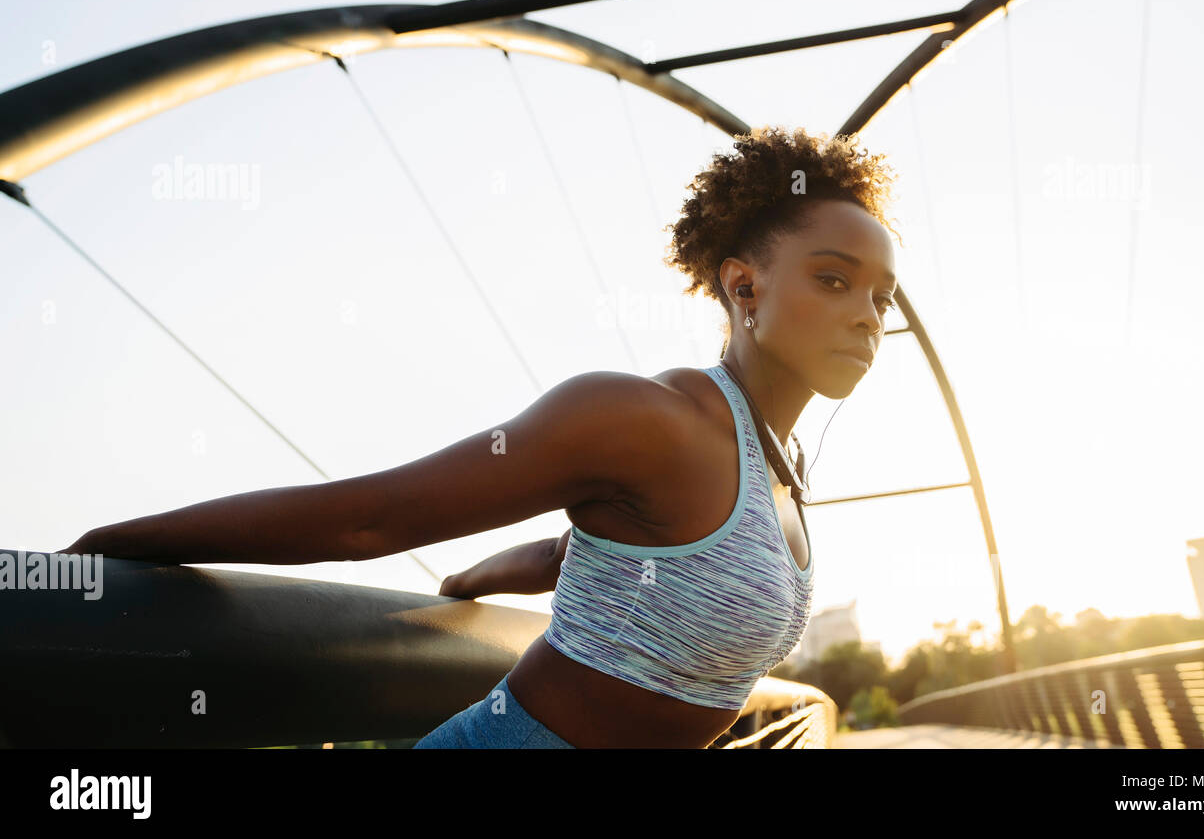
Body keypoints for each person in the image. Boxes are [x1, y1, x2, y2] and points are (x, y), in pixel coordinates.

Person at [63, 124, 901, 749]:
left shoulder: (780, 470)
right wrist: (115, 544)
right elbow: (368, 518)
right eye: (835, 280)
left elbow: (608, 557)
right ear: (744, 284)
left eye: (882, 298)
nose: (867, 317)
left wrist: (476, 576)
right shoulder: (650, 419)